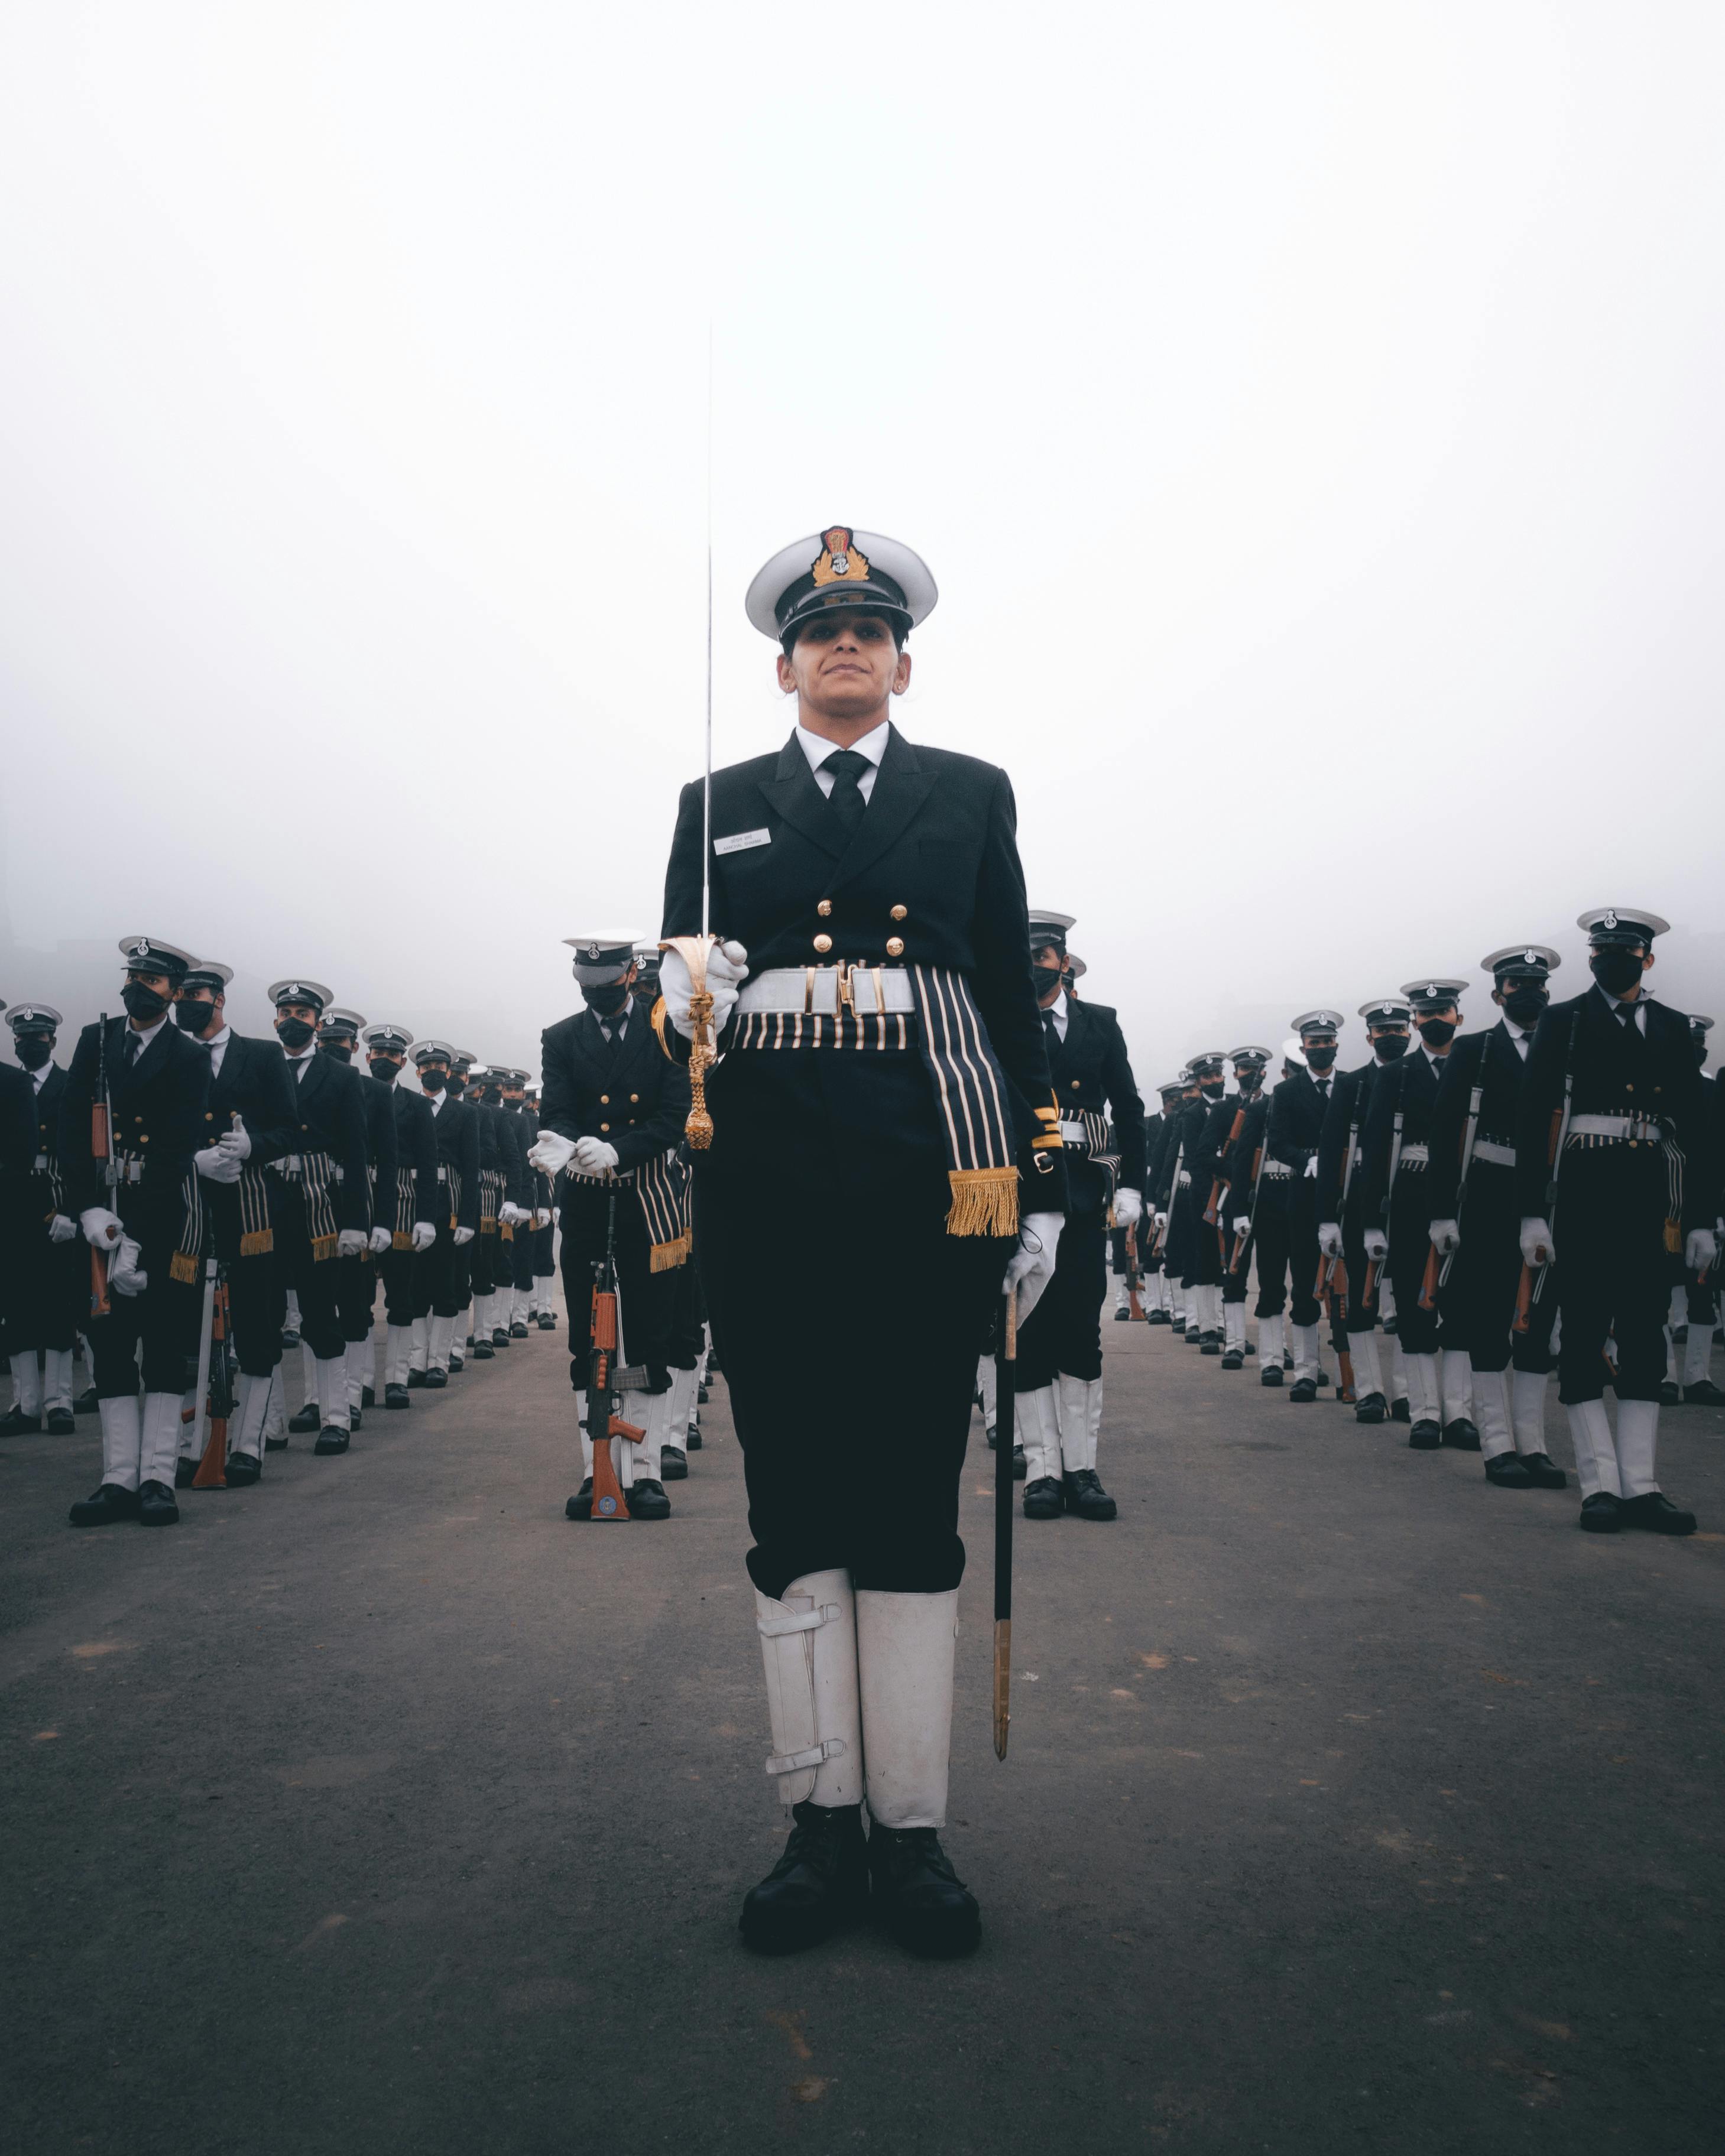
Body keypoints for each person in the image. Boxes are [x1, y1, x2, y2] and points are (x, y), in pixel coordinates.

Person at [657, 524, 1066, 1960]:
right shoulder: (716, 803)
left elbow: (1005, 1001)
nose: (845, 646)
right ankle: (816, 1822)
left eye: (869, 632)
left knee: (906, 1495)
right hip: (768, 1187)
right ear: (784, 667)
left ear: (901, 663)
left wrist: (1039, 1188)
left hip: (924, 1183)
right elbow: (677, 1023)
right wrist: (686, 991)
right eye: (820, 633)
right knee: (791, 1504)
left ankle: (911, 1830)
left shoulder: (970, 793)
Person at [1516, 909, 1715, 1534]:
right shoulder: (1564, 1020)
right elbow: (1534, 1118)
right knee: (1581, 1336)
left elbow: (1695, 1129)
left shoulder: (1670, 1025)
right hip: (1582, 1196)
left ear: (1647, 959)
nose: (1612, 959)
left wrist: (1700, 1219)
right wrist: (1531, 1213)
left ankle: (1642, 1486)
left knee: (1643, 1337)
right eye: (1601, 950)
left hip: (1650, 1201)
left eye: (1625, 951)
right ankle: (1599, 1484)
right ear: (1590, 957)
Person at [530, 937, 692, 1523]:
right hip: (586, 1197)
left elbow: (674, 1116)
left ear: (629, 974)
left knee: (648, 1335)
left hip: (647, 1198)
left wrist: (620, 1150)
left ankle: (645, 1473)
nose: (596, 996)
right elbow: (557, 1108)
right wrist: (564, 1142)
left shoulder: (666, 1030)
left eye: (606, 985)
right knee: (587, 1339)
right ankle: (593, 1466)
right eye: (587, 987)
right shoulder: (560, 1037)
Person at [61, 937, 212, 1525]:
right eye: (134, 977)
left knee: (164, 1349)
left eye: (152, 981)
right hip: (102, 1217)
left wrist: (137, 1241)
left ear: (174, 992)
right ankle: (118, 1478)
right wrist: (87, 1210)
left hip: (162, 1219)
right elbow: (74, 1132)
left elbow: (175, 1154)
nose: (138, 988)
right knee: (110, 1347)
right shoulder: (95, 1041)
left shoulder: (188, 1056)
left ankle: (157, 1478)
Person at [1011, 911, 1143, 1521]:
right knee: (1029, 1329)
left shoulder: (1100, 1023)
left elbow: (1128, 1109)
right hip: (1022, 1195)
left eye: (1041, 956)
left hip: (1086, 1193)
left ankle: (1081, 1468)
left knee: (1081, 1329)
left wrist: (1133, 1187)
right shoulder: (1002, 1018)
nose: (1032, 966)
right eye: (1023, 956)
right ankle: (1042, 1470)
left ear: (1062, 961)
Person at [1425, 948, 1568, 1491]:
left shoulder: (1564, 1046)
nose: (1528, 993)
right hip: (1489, 1193)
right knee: (1488, 1319)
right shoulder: (1475, 1050)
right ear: (1497, 994)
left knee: (1538, 1324)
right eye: (1516, 985)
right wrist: (1442, 1212)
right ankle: (1498, 1444)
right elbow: (1444, 1133)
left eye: (1536, 984)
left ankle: (1533, 1444)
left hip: (1551, 1194)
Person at [170, 960, 300, 1484]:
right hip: (189, 1205)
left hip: (250, 1210)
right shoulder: (172, 1054)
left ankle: (248, 1444)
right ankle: (188, 1445)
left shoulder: (263, 1055)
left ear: (219, 999)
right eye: (181, 996)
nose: (186, 1004)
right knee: (185, 1329)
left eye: (196, 995)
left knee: (254, 1327)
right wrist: (192, 1160)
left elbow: (288, 1130)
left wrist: (253, 1147)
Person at [1360, 980, 1470, 1449]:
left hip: (1467, 1197)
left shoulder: (1474, 1064)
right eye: (1426, 1014)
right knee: (1413, 1306)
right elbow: (1375, 1149)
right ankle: (1426, 1412)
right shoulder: (1396, 1075)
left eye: (1444, 1011)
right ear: (1416, 1021)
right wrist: (1371, 1221)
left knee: (1464, 1309)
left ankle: (1460, 1413)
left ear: (1459, 1016)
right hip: (1412, 1196)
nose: (1435, 1020)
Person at [264, 979, 372, 1456]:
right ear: (275, 1020)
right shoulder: (261, 1065)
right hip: (265, 1201)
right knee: (265, 1316)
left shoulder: (341, 1077)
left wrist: (356, 1222)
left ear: (317, 1023)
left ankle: (335, 1418)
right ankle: (268, 1424)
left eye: (302, 1014)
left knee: (321, 1314)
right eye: (286, 1013)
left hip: (317, 1204)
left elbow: (356, 1152)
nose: (293, 1021)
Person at [1318, 998, 1413, 1424]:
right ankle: (1370, 1390)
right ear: (1370, 1037)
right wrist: (1327, 1217)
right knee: (1361, 1301)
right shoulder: (1352, 1084)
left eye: (1398, 1029)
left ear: (1409, 1032)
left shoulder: (1421, 1074)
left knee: (1409, 1303)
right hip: (1359, 1202)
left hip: (1410, 1198)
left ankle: (1408, 1393)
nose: (1391, 1036)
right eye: (1383, 1031)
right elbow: (1331, 1150)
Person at [314, 1008, 399, 1428]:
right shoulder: (298, 1081)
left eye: (341, 1042)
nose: (334, 1048)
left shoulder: (375, 1093)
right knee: (314, 1307)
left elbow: (388, 1163)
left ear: (354, 1047)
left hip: (355, 1201)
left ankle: (352, 1394)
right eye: (327, 1042)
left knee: (354, 1304)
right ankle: (316, 1399)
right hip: (309, 1200)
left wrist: (382, 1220)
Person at [1, 1003, 82, 1436]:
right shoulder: (7, 1084)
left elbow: (83, 1154)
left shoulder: (71, 1086)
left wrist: (72, 1210)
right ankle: (25, 1404)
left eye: (39, 1037)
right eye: (23, 1037)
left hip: (55, 1194)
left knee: (57, 1301)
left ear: (53, 1040)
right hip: (12, 1197)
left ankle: (60, 1401)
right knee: (15, 1302)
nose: (30, 1044)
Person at [1256, 1014, 1345, 1401]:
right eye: (1315, 1042)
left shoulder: (1352, 1085)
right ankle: (1307, 1371)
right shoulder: (1287, 1092)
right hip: (1305, 1194)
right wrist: (1306, 1159)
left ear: (1336, 1044)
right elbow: (1277, 1141)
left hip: (1347, 1191)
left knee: (1349, 1289)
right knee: (1307, 1284)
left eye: (1327, 1041)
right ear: (1304, 1048)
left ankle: (1356, 1376)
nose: (1321, 1047)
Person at [359, 1022, 440, 1410]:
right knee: (357, 1297)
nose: (385, 1060)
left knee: (401, 1296)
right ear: (367, 1057)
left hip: (405, 1203)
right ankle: (361, 1381)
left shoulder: (417, 1105)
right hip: (360, 1199)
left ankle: (396, 1379)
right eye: (379, 1053)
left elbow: (428, 1163)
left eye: (393, 1055)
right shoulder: (354, 1093)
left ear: (404, 1062)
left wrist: (427, 1217)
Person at [407, 1041, 478, 1386]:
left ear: (449, 1072)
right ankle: (416, 1361)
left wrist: (468, 1219)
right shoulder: (408, 1107)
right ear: (417, 1071)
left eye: (439, 1066)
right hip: (412, 1202)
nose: (432, 1071)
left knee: (446, 1285)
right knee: (415, 1286)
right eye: (426, 1066)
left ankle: (439, 1361)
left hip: (449, 1204)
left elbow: (471, 1169)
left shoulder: (464, 1114)